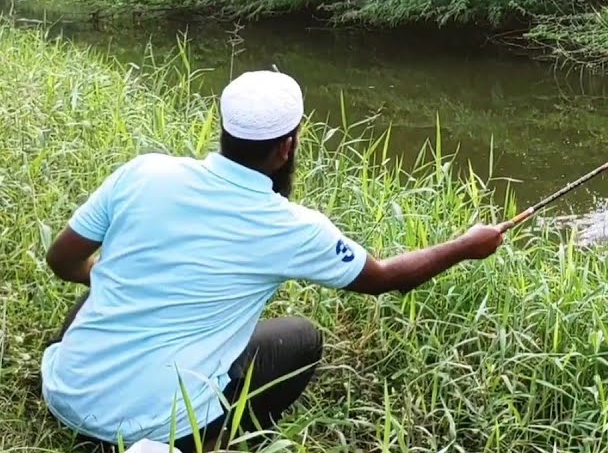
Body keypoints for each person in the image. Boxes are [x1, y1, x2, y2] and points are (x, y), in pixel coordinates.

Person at [39, 69, 506, 452]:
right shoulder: (293, 227)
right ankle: (224, 436)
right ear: (286, 147)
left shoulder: (143, 172)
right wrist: (467, 245)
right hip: (158, 428)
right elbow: (383, 278)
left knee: (105, 282)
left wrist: (103, 277)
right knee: (301, 337)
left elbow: (62, 259)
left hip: (66, 397)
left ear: (223, 130)